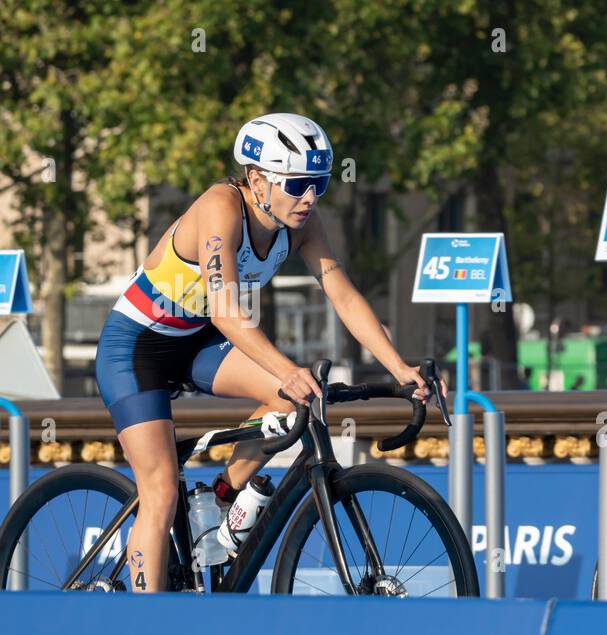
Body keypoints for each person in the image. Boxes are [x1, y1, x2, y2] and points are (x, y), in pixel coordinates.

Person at [94, 112, 433, 593]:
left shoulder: (303, 223)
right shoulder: (221, 207)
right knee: (161, 489)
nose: (310, 197)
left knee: (289, 400)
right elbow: (227, 313)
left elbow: (343, 294)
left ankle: (220, 498)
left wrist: (399, 365)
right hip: (136, 347)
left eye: (319, 183)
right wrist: (288, 368)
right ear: (256, 179)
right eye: (297, 184)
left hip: (194, 343)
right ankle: (148, 623)